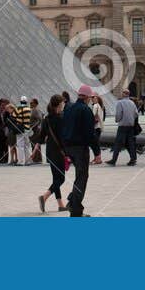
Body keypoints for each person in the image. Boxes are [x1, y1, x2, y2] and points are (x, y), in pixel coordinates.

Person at [61, 85, 98, 217]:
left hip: (68, 147)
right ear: (87, 97)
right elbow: (90, 134)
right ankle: (76, 209)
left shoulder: (68, 108)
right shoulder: (85, 110)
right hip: (80, 149)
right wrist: (97, 152)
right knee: (82, 177)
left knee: (79, 177)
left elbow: (63, 129)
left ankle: (72, 200)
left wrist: (64, 149)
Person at [35, 95, 67, 212]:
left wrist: (36, 147)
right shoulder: (60, 118)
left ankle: (61, 205)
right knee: (61, 178)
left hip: (50, 151)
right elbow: (63, 137)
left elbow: (41, 137)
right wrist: (67, 152)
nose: (63, 105)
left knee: (56, 178)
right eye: (62, 103)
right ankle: (44, 197)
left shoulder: (46, 118)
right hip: (59, 152)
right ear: (59, 104)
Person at [108, 90, 140, 166]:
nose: (121, 94)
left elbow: (119, 113)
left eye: (122, 93)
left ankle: (114, 160)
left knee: (118, 143)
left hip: (122, 125)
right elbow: (136, 114)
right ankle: (133, 159)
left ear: (124, 94)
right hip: (130, 126)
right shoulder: (132, 103)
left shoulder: (120, 102)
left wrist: (117, 120)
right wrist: (131, 119)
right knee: (131, 143)